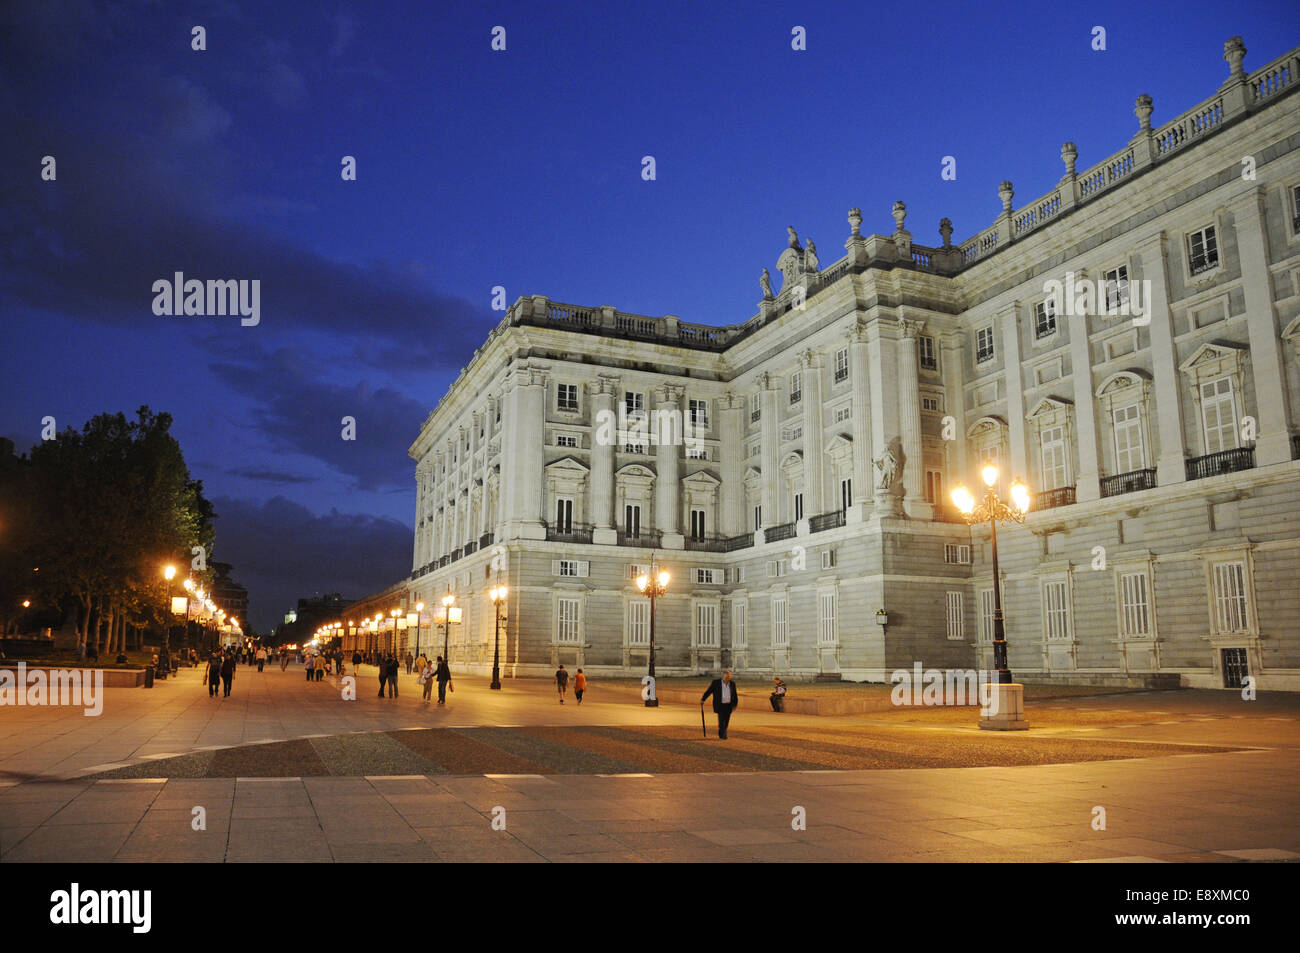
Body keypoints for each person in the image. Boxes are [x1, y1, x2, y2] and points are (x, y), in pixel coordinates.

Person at [701, 670, 739, 739]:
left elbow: (735, 695)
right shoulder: (716, 683)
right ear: (723, 676)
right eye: (726, 677)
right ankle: (723, 735)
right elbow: (709, 691)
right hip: (720, 705)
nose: (727, 678)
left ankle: (722, 732)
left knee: (726, 721)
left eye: (729, 677)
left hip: (729, 705)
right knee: (721, 721)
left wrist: (735, 704)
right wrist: (703, 699)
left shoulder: (732, 684)